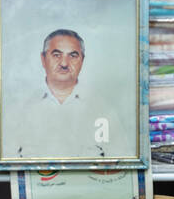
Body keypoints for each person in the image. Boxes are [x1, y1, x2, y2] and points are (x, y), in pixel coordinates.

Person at [10, 29, 105, 159]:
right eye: (56, 55)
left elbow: (120, 157)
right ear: (43, 59)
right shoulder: (19, 108)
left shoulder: (101, 107)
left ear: (82, 60)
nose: (64, 63)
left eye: (73, 55)